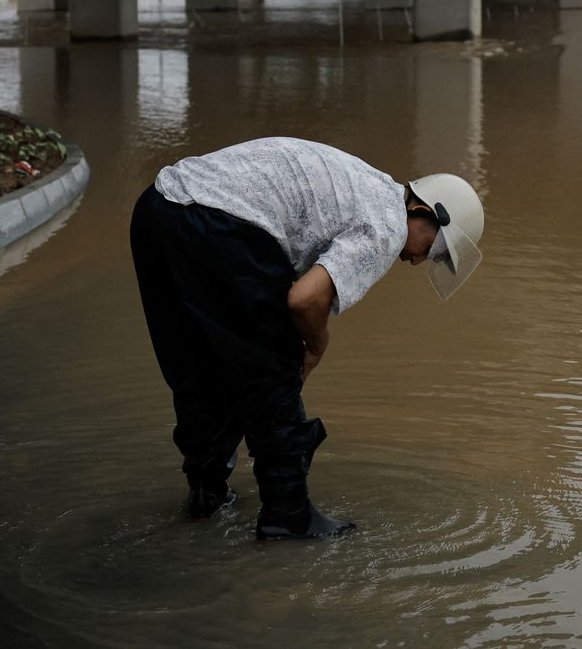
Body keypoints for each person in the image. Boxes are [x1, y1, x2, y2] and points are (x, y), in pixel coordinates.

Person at [129, 137, 485, 540]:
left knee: (200, 363)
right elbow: (304, 300)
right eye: (435, 251)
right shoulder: (386, 225)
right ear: (422, 211)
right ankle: (288, 514)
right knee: (275, 369)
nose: (419, 260)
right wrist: (316, 345)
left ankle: (206, 495)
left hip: (157, 210)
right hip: (221, 228)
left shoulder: (368, 183)